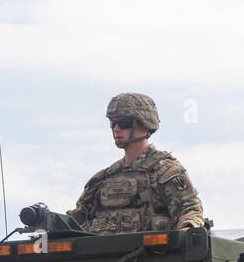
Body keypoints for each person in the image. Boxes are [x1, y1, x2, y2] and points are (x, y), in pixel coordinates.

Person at [68, 92, 205, 234]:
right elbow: (76, 220)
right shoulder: (102, 179)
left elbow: (189, 208)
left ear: (145, 124)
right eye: (113, 123)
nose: (116, 129)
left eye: (124, 123)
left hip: (155, 254)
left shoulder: (164, 171)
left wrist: (187, 229)